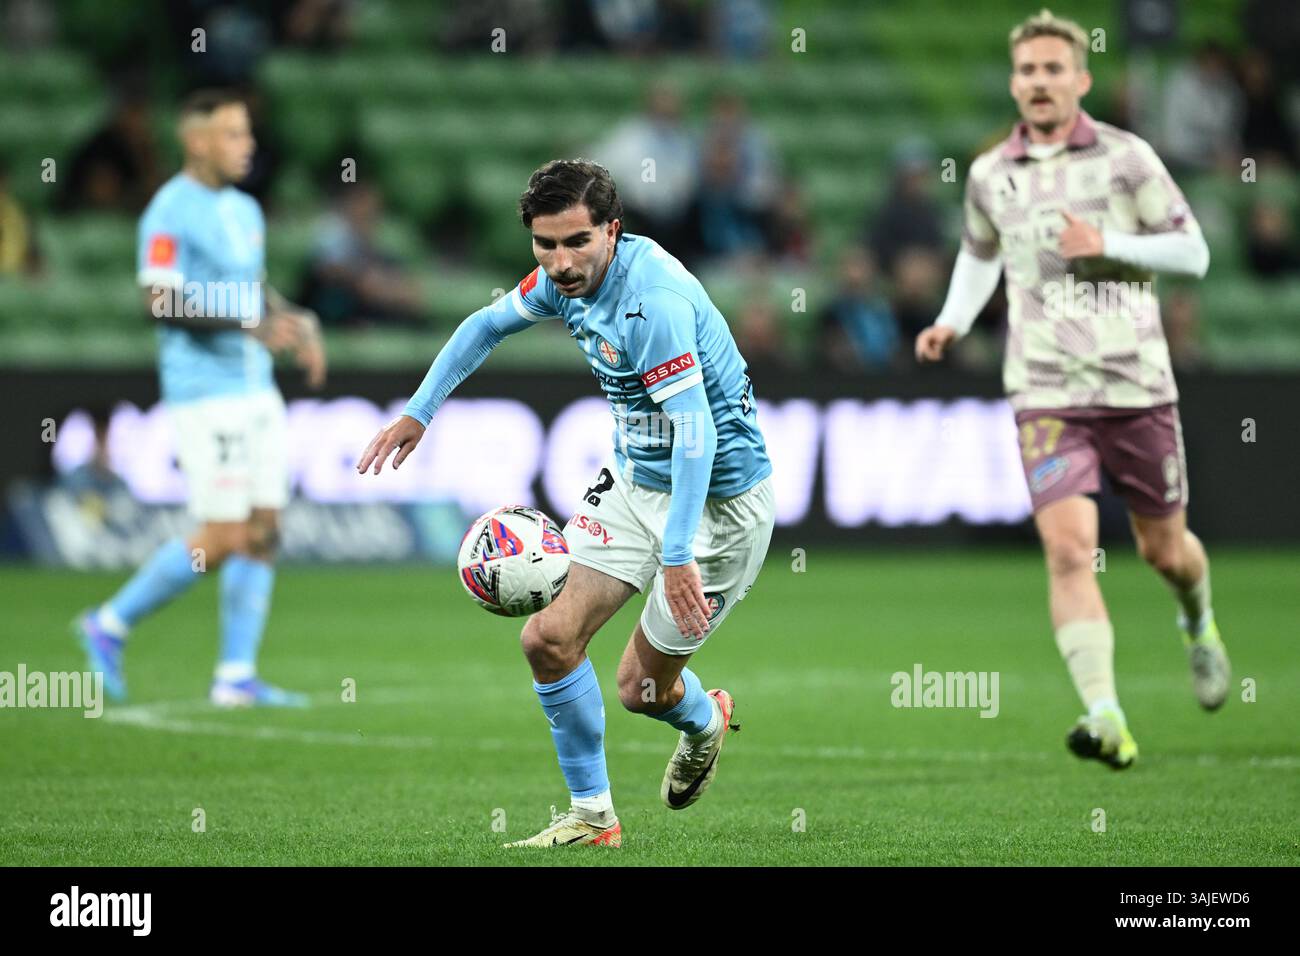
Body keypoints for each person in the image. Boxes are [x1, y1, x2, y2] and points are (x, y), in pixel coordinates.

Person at [358, 159, 775, 847]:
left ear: (613, 230)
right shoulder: (564, 283)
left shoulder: (653, 304)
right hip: (636, 480)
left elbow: (695, 432)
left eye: (577, 242)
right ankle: (592, 819)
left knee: (641, 689)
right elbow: (483, 327)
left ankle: (703, 720)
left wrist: (677, 554)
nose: (560, 261)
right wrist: (418, 413)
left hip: (717, 507)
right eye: (545, 245)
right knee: (548, 639)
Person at [915, 10, 1227, 770]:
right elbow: (979, 253)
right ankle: (1105, 713)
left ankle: (1199, 622)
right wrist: (953, 320)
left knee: (1165, 553)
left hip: (1136, 387)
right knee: (1067, 550)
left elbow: (1195, 252)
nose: (1040, 82)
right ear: (1016, 83)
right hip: (1045, 392)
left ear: (1080, 81)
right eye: (1027, 71)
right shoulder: (992, 173)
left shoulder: (1127, 159)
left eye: (1054, 69)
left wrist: (1108, 244)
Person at [76, 89, 327, 707]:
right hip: (204, 394)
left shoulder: (245, 209)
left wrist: (294, 320)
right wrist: (246, 323)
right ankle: (108, 623)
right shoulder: (168, 210)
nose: (247, 146)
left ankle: (234, 677)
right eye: (233, 135)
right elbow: (158, 300)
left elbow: (253, 286)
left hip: (255, 389)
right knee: (223, 535)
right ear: (197, 141)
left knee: (265, 529)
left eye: (247, 134)